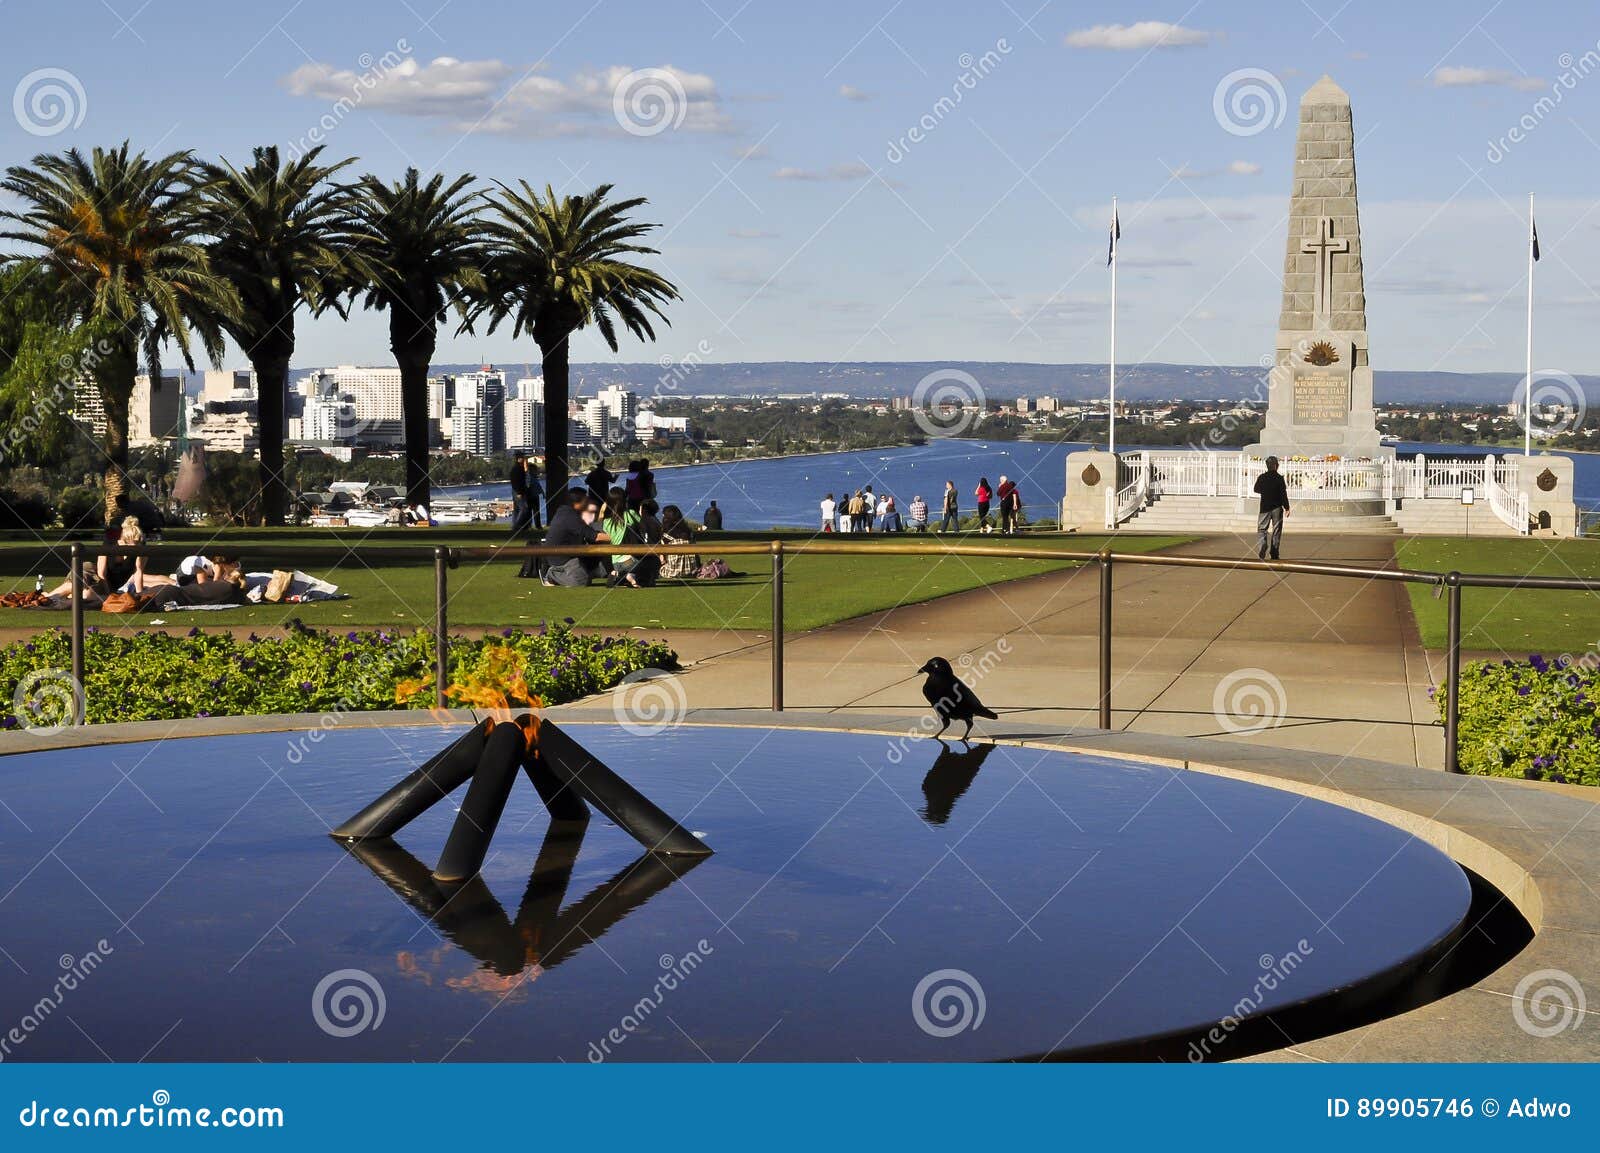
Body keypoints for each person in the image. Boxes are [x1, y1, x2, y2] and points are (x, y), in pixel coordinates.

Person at [538, 489, 612, 586]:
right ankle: (551, 575)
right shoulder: (570, 517)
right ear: (577, 503)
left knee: (601, 570)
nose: (588, 503)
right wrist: (616, 537)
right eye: (585, 501)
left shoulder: (565, 511)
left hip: (570, 553)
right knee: (581, 582)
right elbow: (595, 537)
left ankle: (587, 571)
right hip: (563, 558)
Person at [603, 486, 656, 588]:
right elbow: (645, 527)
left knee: (634, 570)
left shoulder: (606, 522)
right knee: (651, 563)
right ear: (625, 499)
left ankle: (619, 575)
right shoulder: (630, 514)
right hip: (631, 559)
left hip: (616, 562)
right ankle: (629, 576)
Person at [1254, 455, 1291, 560]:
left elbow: (1256, 489)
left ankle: (1262, 545)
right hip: (1277, 508)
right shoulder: (1279, 478)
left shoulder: (1262, 477)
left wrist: (1265, 491)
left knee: (1262, 529)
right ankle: (1274, 553)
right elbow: (1283, 494)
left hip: (1264, 507)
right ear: (1275, 466)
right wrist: (1287, 508)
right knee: (1276, 530)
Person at [657, 504, 700, 580]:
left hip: (672, 571)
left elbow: (662, 559)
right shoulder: (689, 532)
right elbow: (696, 555)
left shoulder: (665, 535)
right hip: (692, 570)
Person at [508, 453, 531, 536]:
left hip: (517, 491)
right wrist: (519, 492)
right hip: (518, 491)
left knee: (517, 509)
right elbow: (517, 481)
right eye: (523, 458)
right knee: (524, 508)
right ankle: (516, 525)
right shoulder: (518, 469)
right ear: (519, 459)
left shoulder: (516, 468)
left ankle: (514, 525)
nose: (524, 460)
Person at [525, 463, 544, 533]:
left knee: (536, 512)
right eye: (535, 470)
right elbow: (527, 487)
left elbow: (538, 486)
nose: (536, 471)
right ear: (531, 470)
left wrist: (543, 493)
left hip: (535, 496)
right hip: (530, 497)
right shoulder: (528, 478)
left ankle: (538, 525)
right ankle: (529, 526)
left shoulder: (535, 478)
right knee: (529, 512)